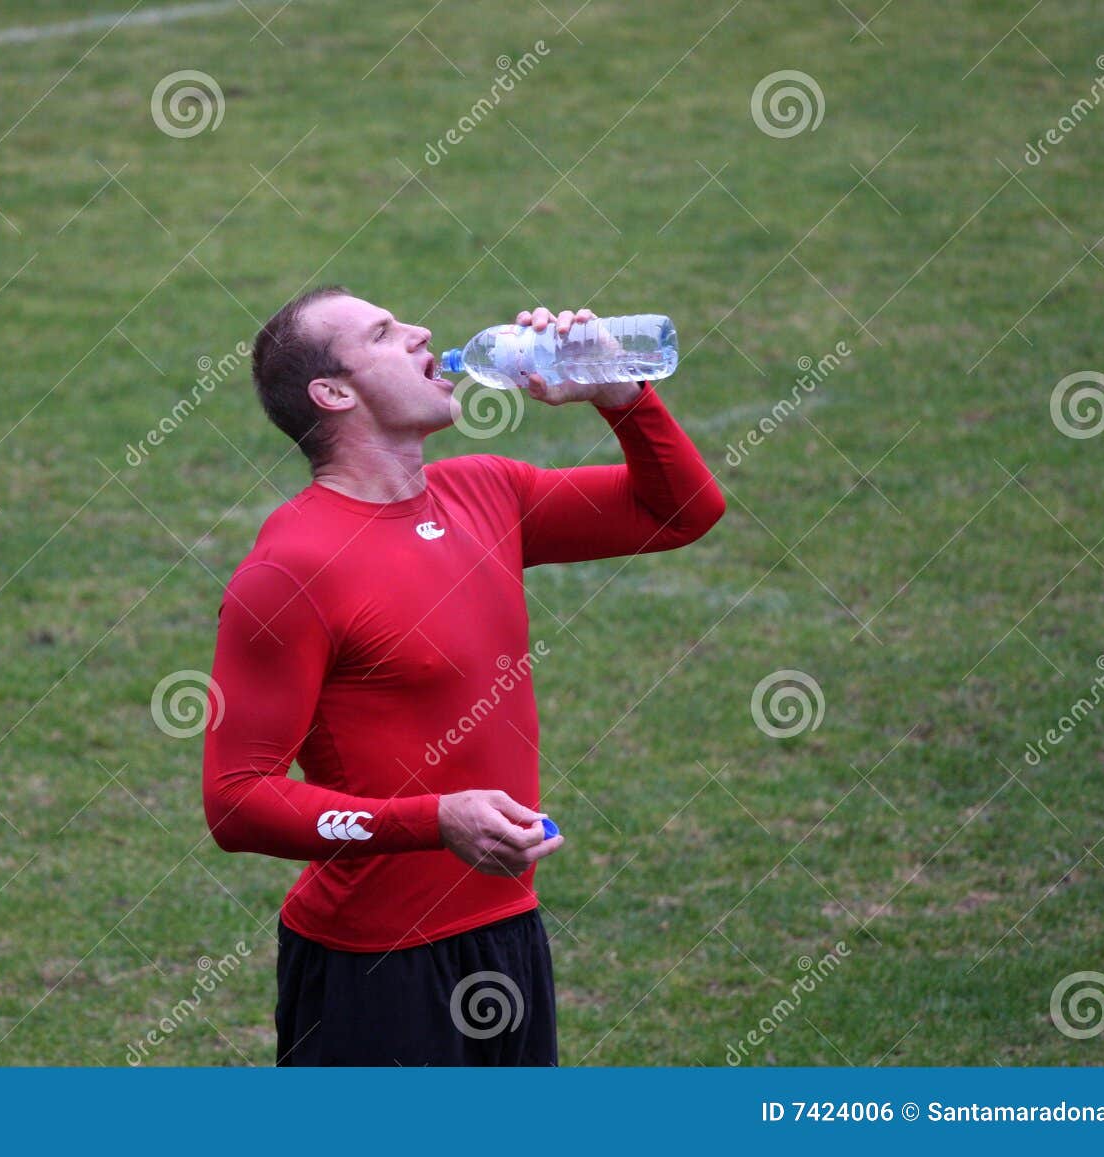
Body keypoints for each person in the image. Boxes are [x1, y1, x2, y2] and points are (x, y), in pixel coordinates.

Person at [200, 287, 725, 1065]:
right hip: (372, 965)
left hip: (507, 933)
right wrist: (434, 820)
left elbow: (680, 511)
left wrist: (621, 396)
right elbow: (237, 801)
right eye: (384, 333)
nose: (420, 331)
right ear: (334, 393)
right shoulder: (290, 570)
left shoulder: (487, 491)